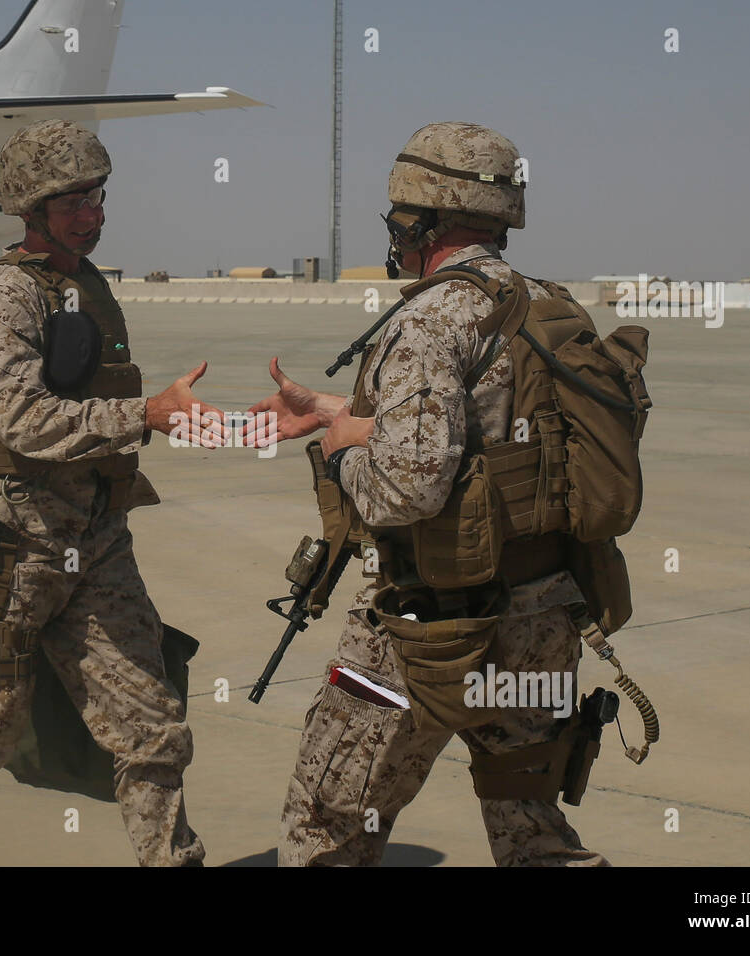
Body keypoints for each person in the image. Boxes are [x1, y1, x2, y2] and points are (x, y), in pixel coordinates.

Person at [245, 122, 613, 867]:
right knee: (532, 829)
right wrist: (339, 412)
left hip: (424, 626)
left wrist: (342, 449)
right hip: (543, 617)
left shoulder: (429, 319)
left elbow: (406, 489)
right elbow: (490, 436)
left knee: (327, 823)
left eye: (398, 221)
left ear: (422, 221)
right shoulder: (548, 307)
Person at [0, 119, 223, 867]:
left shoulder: (86, 287)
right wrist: (148, 415)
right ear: (30, 208)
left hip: (96, 537)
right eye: (71, 200)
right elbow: (24, 423)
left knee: (153, 725)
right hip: (14, 543)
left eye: (96, 195)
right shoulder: (3, 297)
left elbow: (98, 410)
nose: (91, 213)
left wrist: (209, 423)